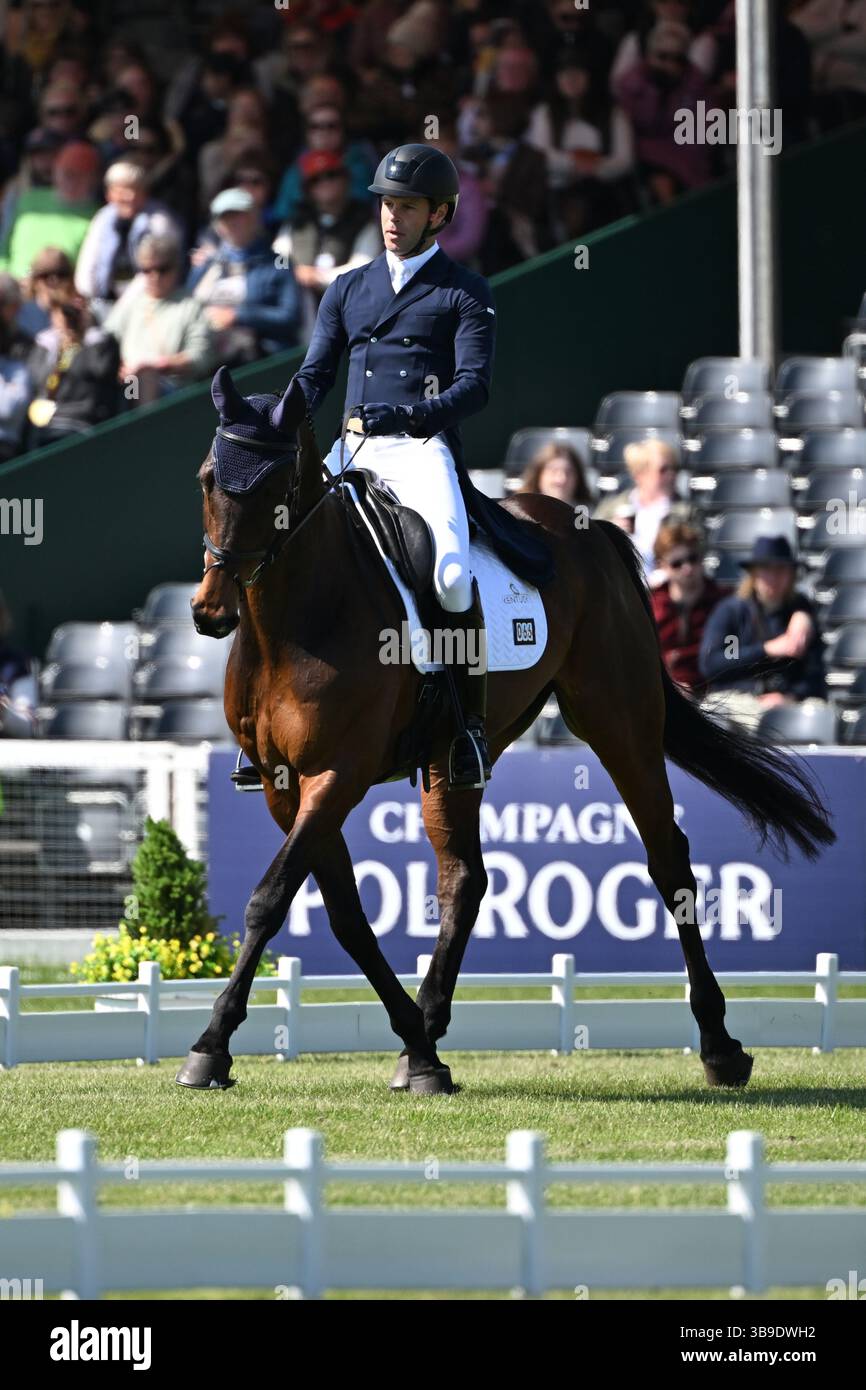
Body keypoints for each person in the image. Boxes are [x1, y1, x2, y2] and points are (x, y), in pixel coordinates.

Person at [289, 143, 552, 788]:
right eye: (385, 204)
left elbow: (475, 387)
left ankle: (466, 726)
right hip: (351, 450)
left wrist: (408, 419)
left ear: (438, 216)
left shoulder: (464, 291)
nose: (391, 218)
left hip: (422, 452)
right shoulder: (349, 287)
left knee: (454, 576)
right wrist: (271, 417)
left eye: (406, 207)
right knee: (282, 545)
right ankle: (260, 720)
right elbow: (317, 375)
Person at [698, 535, 826, 728]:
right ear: (754, 574)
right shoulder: (735, 613)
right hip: (739, 701)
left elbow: (815, 675)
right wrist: (767, 650)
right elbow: (716, 663)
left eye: (781, 570)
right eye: (766, 569)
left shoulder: (799, 615)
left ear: (791, 575)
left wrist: (790, 696)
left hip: (786, 703)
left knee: (818, 712)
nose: (773, 578)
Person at [273, 152, 381, 340]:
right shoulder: (296, 221)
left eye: (332, 175)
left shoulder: (363, 220)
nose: (325, 183)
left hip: (348, 309)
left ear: (345, 180)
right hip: (301, 309)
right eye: (316, 180)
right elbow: (277, 258)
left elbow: (364, 268)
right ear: (308, 189)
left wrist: (317, 277)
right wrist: (292, 272)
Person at [187, 187, 300, 362]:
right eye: (225, 217)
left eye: (239, 215)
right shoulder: (206, 264)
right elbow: (187, 308)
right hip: (207, 357)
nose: (232, 223)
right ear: (217, 226)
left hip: (261, 357)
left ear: (255, 217)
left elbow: (289, 317)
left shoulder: (279, 262)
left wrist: (237, 316)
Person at [104, 233, 213, 404]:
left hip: (175, 390)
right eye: (147, 270)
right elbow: (106, 339)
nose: (155, 276)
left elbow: (201, 357)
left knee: (146, 377)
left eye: (162, 269)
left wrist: (159, 365)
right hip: (128, 387)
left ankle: (145, 428)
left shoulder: (190, 305)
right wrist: (119, 366)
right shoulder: (132, 302)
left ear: (176, 268)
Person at [74, 162, 183, 323]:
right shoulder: (103, 218)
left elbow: (159, 270)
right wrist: (87, 294)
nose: (129, 196)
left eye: (135, 189)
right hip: (104, 303)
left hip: (147, 305)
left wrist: (123, 308)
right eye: (123, 190)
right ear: (109, 194)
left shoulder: (159, 222)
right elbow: (89, 263)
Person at [594, 438, 695, 583]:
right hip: (620, 586)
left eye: (675, 468)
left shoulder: (687, 512)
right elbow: (590, 545)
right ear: (639, 474)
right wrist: (610, 531)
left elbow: (696, 554)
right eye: (663, 470)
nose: (672, 475)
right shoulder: (610, 508)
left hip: (666, 591)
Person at [27, 289, 120, 443]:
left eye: (76, 311)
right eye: (63, 312)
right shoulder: (46, 344)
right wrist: (57, 347)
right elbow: (36, 379)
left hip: (83, 421)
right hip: (46, 423)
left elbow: (101, 370)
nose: (69, 319)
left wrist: (89, 337)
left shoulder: (101, 342)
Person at [650, 521, 730, 694]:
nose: (687, 569)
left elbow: (733, 653)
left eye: (692, 559)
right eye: (676, 563)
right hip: (662, 692)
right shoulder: (651, 605)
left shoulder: (725, 601)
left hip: (715, 694)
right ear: (662, 566)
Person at [519, 440, 593, 508]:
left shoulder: (589, 517)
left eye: (569, 472)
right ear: (538, 475)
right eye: (554, 470)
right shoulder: (518, 514)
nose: (562, 479)